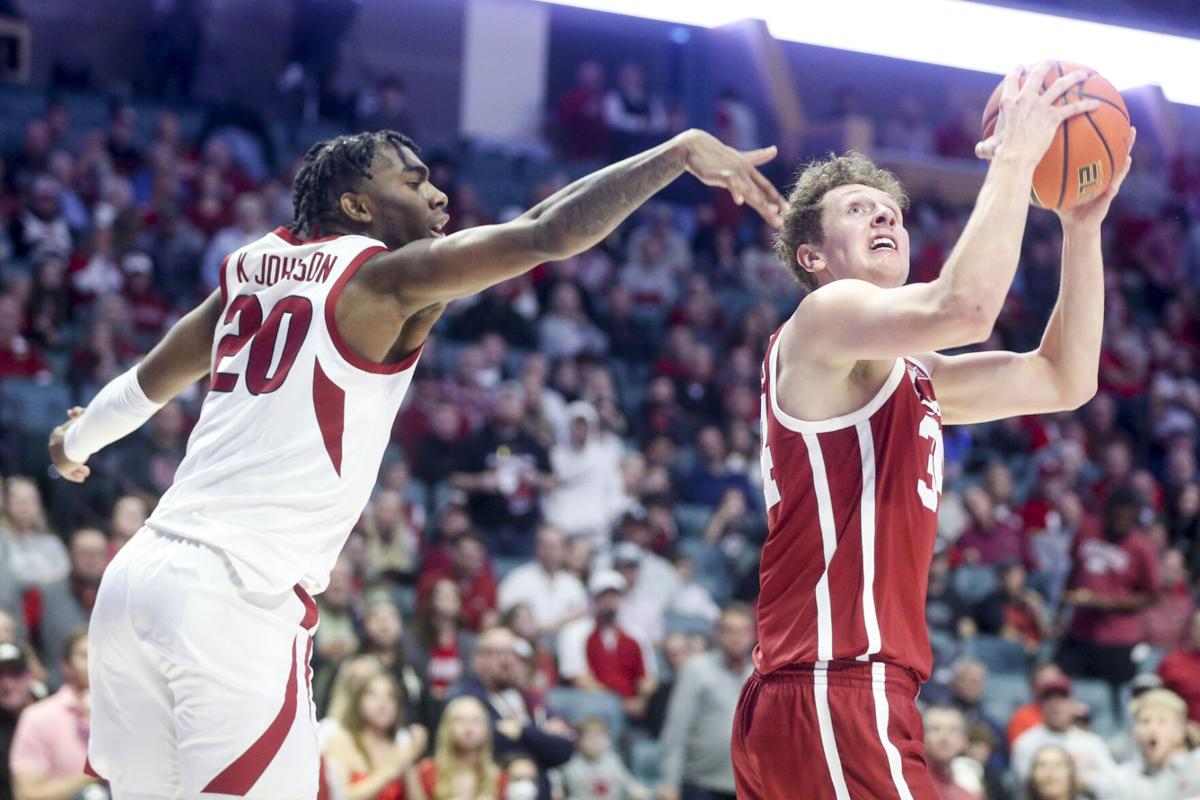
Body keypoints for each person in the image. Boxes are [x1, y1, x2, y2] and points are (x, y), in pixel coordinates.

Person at [50, 125, 784, 797]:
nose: (436, 192)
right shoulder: (381, 279)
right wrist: (676, 154)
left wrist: (73, 442)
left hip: (137, 578)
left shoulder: (249, 268)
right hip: (233, 594)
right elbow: (545, 232)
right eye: (411, 180)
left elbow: (149, 380)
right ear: (356, 204)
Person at [731, 61, 1128, 800]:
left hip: (836, 696)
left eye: (893, 211)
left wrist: (1081, 226)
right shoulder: (822, 317)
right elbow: (968, 306)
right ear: (811, 257)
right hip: (831, 686)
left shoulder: (917, 378)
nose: (885, 216)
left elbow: (1065, 378)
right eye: (858, 210)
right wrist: (1016, 153)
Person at [658, 604, 755, 800]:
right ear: (717, 634)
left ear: (753, 634)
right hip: (701, 784)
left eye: (742, 631)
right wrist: (669, 782)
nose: (736, 638)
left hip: (747, 785)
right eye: (729, 630)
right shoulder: (696, 670)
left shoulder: (760, 674)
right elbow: (676, 728)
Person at [9, 628, 97, 800]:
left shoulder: (129, 713)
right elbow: (27, 794)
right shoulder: (38, 717)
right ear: (66, 665)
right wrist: (93, 774)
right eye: (85, 655)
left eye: (102, 652)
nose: (96, 661)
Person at [322, 671, 427, 800]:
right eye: (372, 695)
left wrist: (409, 759)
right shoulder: (341, 739)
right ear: (359, 702)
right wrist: (391, 769)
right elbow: (339, 796)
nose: (383, 703)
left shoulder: (399, 746)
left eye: (390, 696)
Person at [1011, 675, 1115, 788]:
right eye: (1049, 699)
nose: (1055, 705)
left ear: (1073, 703)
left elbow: (1112, 781)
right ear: (1040, 706)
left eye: (1062, 698)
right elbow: (1030, 785)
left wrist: (1086, 782)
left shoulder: (1092, 742)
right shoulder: (1026, 743)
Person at [1097, 688, 1200, 799]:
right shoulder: (1120, 779)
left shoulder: (1195, 766)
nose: (1152, 729)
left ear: (1179, 732)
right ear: (1133, 731)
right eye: (1145, 721)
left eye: (1162, 721)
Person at [413, 695, 505, 800]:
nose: (468, 728)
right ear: (447, 727)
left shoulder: (498, 778)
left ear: (486, 728)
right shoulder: (427, 772)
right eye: (460, 720)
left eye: (476, 720)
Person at [561, 717, 651, 800]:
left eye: (599, 736)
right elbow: (559, 789)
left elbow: (630, 784)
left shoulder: (613, 761)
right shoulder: (571, 764)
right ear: (579, 742)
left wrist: (647, 794)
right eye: (589, 738)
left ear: (608, 740)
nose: (595, 742)